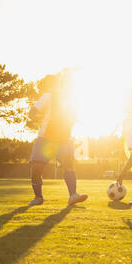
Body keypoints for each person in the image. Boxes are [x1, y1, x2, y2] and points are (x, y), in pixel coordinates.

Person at [27, 70, 86, 207]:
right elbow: (32, 112)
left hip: (64, 139)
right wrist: (38, 118)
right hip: (45, 138)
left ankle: (73, 195)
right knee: (36, 169)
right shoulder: (49, 97)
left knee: (69, 165)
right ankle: (38, 197)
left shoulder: (75, 101)